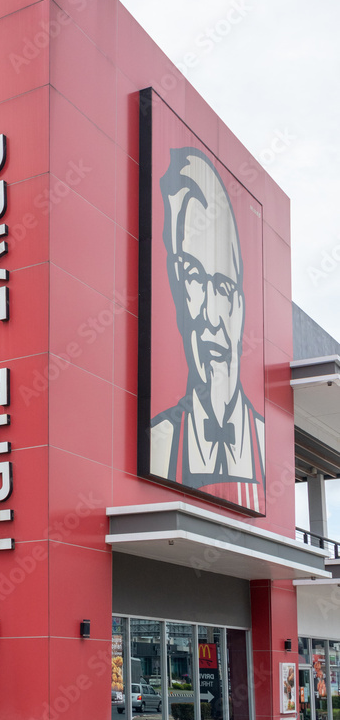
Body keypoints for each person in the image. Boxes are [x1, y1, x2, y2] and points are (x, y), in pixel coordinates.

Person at [149, 147, 264, 511]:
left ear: (241, 306)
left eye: (225, 286)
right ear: (178, 291)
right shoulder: (158, 441)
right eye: (195, 278)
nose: (211, 317)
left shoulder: (264, 443)